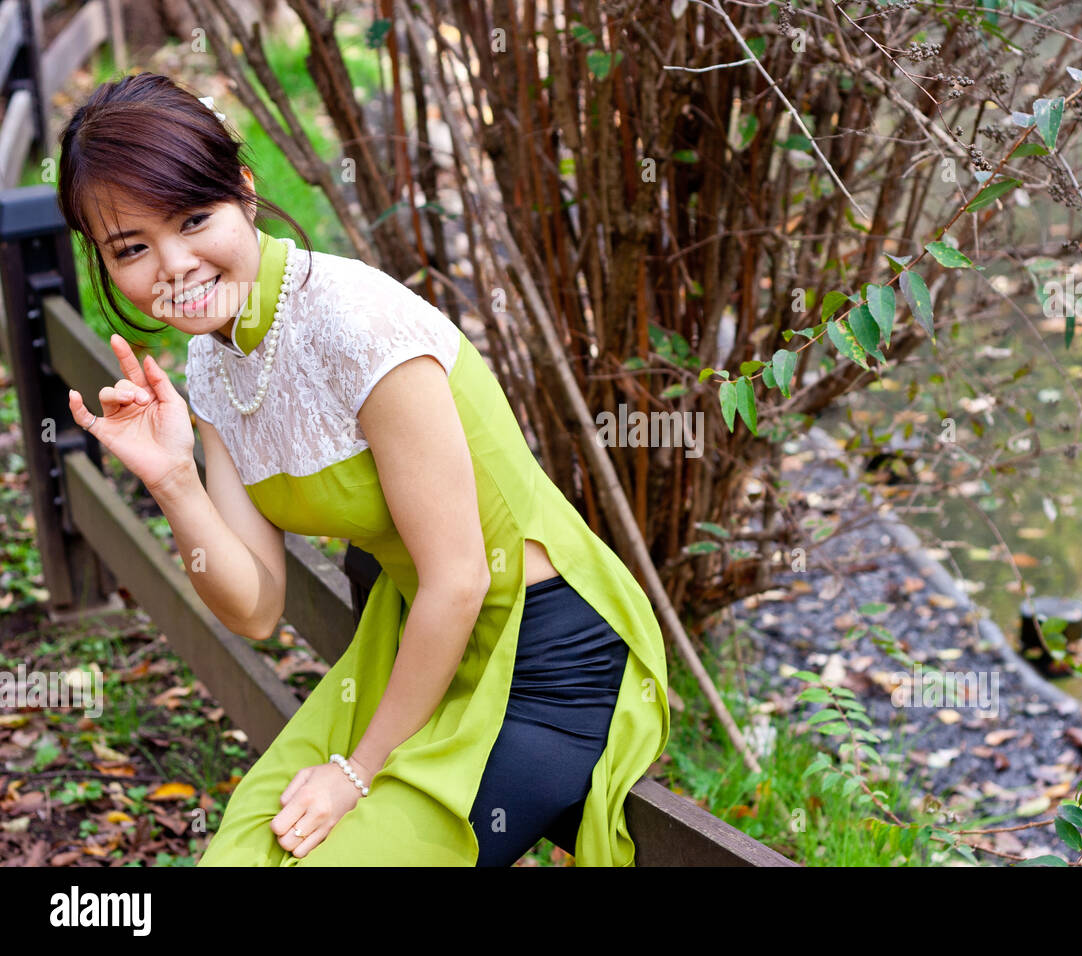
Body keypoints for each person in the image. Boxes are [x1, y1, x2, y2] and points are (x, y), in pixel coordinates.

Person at [56, 72, 670, 866]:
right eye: (132, 249)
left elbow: (458, 578)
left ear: (244, 191)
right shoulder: (211, 367)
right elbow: (253, 609)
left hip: (545, 662)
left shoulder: (355, 323)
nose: (172, 265)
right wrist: (172, 479)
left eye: (194, 218)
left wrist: (354, 770)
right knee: (243, 858)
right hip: (416, 648)